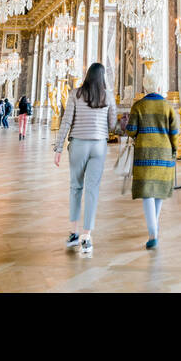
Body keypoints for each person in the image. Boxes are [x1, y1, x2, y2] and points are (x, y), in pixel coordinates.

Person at [53, 63, 117, 256]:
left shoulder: (75, 94)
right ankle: (87, 237)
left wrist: (58, 148)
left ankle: (74, 233)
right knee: (92, 190)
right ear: (103, 77)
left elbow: (66, 121)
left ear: (87, 75)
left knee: (75, 188)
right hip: (99, 145)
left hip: (79, 144)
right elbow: (112, 125)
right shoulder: (108, 96)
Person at [125, 69, 179, 250]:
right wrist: (174, 150)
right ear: (158, 86)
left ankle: (153, 233)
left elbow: (131, 130)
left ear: (144, 87)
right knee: (159, 191)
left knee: (147, 193)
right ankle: (154, 228)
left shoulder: (138, 106)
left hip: (144, 155)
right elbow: (175, 133)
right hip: (164, 153)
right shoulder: (168, 106)